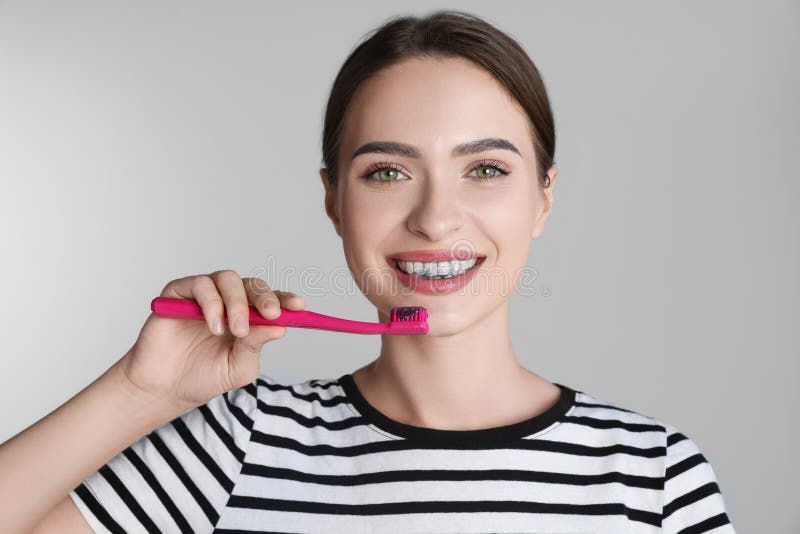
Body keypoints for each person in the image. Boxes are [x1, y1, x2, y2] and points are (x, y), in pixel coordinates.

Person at [1, 9, 736, 533]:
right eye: (387, 172)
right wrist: (141, 390)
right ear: (334, 200)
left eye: (485, 168)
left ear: (544, 198)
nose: (435, 217)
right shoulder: (238, 442)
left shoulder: (653, 473)